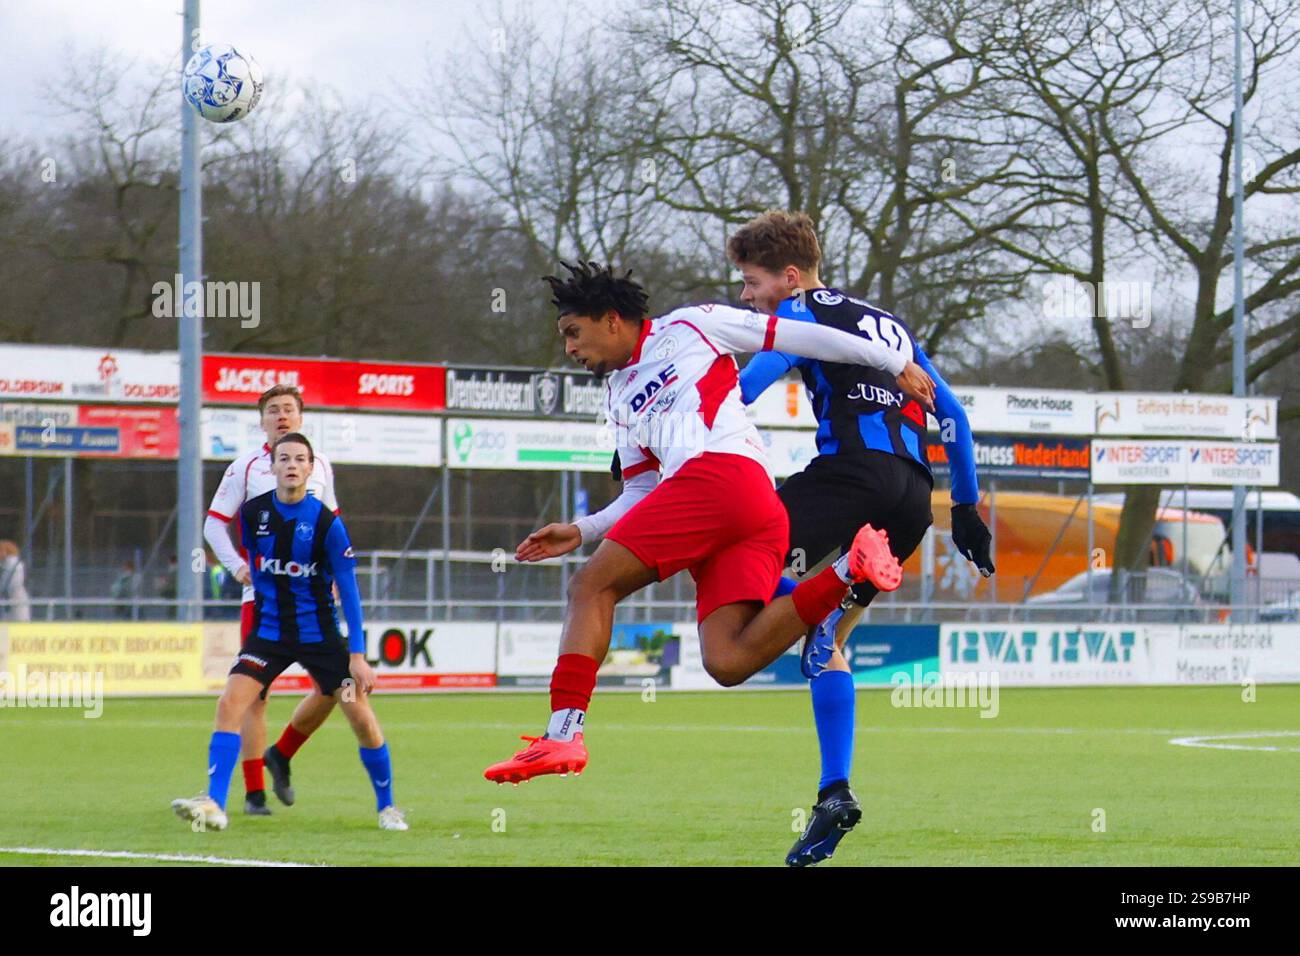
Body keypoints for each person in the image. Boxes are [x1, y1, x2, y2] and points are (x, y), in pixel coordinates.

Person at [483, 260, 938, 786]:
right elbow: (642, 490)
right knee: (727, 661)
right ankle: (848, 572)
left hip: (721, 478)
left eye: (572, 332)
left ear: (611, 320)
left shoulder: (691, 325)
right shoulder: (617, 397)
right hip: (750, 509)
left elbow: (804, 337)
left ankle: (562, 734)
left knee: (591, 585)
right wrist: (585, 529)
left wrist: (892, 360)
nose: (569, 348)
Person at [727, 210, 995, 866]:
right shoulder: (891, 326)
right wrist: (964, 509)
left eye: (750, 281)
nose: (743, 296)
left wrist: (701, 424)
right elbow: (952, 414)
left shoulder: (797, 316)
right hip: (912, 496)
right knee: (828, 642)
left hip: (849, 477)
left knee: (736, 556)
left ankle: (824, 588)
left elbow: (753, 383)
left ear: (789, 278)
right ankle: (834, 791)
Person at [171, 433, 406, 832]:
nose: (292, 465)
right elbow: (246, 557)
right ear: (273, 467)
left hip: (322, 639)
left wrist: (358, 655)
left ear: (311, 469)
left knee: (361, 717)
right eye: (285, 458)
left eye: (300, 459)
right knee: (231, 702)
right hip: (269, 635)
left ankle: (388, 807)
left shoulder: (328, 524)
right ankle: (214, 802)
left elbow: (349, 590)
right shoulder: (253, 514)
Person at [204, 385, 340, 816]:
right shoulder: (246, 466)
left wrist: (337, 574)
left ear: (301, 419)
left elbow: (334, 525)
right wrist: (236, 566)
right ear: (262, 420)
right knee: (253, 695)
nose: (282, 416)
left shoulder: (319, 467)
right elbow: (213, 524)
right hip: (262, 599)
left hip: (313, 599)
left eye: (289, 410)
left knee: (335, 688)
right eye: (273, 411)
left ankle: (282, 753)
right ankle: (253, 793)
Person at [0, 541, 31, 622]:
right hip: (11, 596)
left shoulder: (12, 565)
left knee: (17, 619)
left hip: (15, 596)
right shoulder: (9, 564)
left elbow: (8, 584)